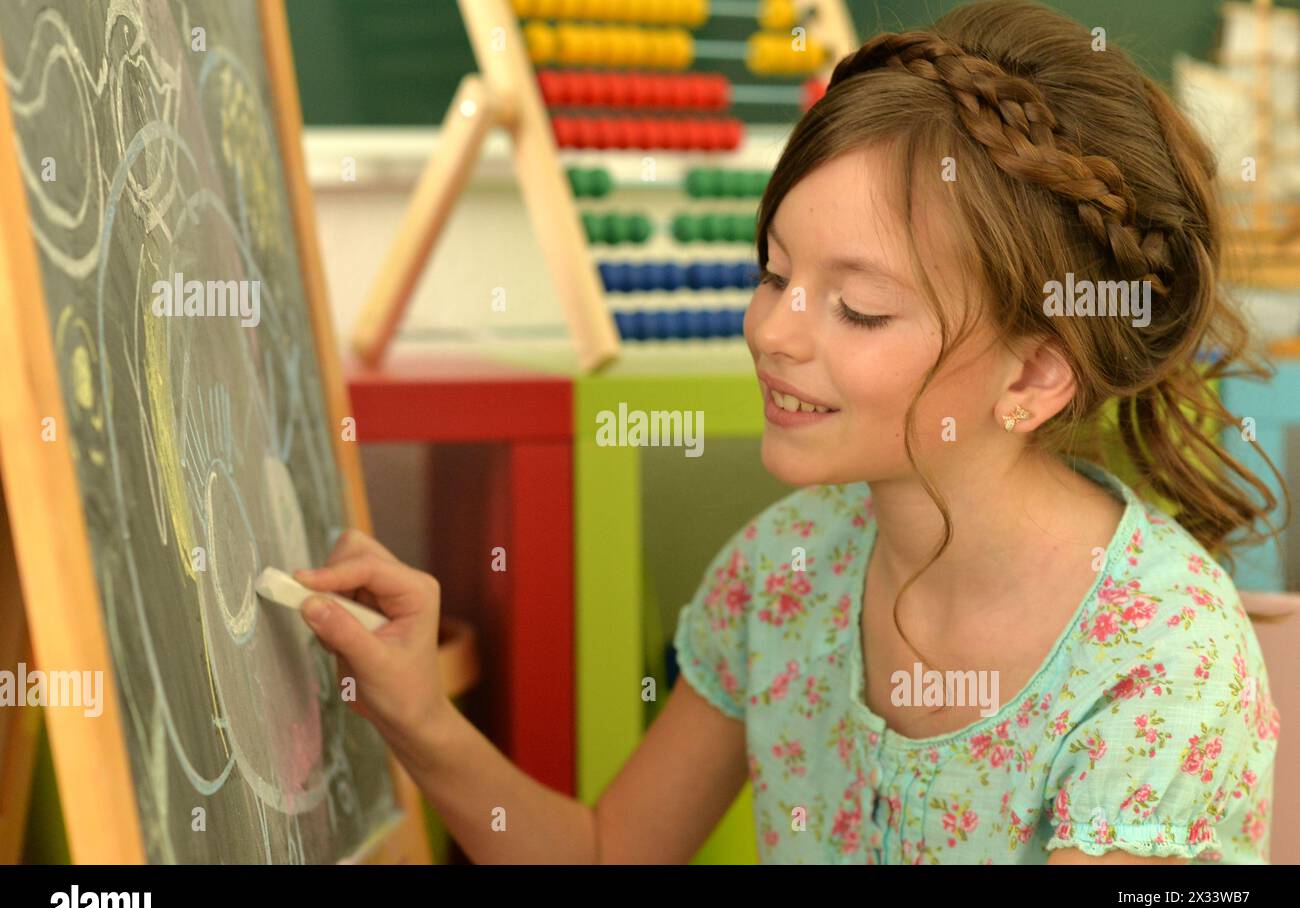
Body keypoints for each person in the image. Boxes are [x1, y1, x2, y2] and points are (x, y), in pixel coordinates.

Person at [297, 0, 1283, 863]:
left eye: (856, 308)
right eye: (773, 274)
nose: (769, 330)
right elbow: (604, 853)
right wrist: (418, 714)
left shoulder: (1163, 668)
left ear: (1030, 374)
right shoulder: (784, 570)